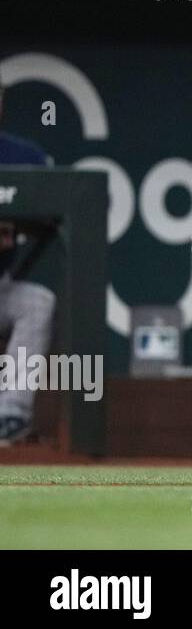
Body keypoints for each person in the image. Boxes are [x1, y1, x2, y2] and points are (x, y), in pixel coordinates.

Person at [0, 70, 57, 446]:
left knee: (37, 302)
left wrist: (12, 228)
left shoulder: (24, 155)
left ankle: (10, 415)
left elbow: (54, 213)